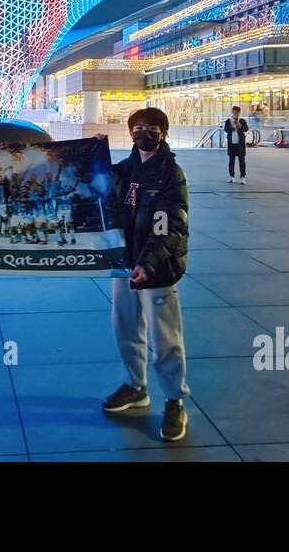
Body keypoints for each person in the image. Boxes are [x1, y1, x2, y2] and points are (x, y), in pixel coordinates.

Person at [101, 107, 191, 442]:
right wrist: (94, 154)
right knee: (125, 327)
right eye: (138, 127)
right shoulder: (124, 170)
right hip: (124, 264)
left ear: (163, 133)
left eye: (152, 128)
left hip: (156, 269)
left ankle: (174, 399)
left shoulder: (171, 173)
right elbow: (94, 189)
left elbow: (171, 226)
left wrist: (148, 263)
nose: (144, 133)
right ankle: (134, 385)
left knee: (164, 338)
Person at [224, 105, 249, 184]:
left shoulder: (242, 120)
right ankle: (232, 177)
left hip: (240, 144)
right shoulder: (228, 121)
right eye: (234, 113)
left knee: (242, 161)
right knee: (231, 161)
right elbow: (226, 129)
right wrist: (232, 127)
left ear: (239, 113)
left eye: (237, 113)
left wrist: (239, 126)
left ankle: (243, 177)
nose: (236, 114)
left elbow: (246, 129)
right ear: (232, 112)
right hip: (231, 144)